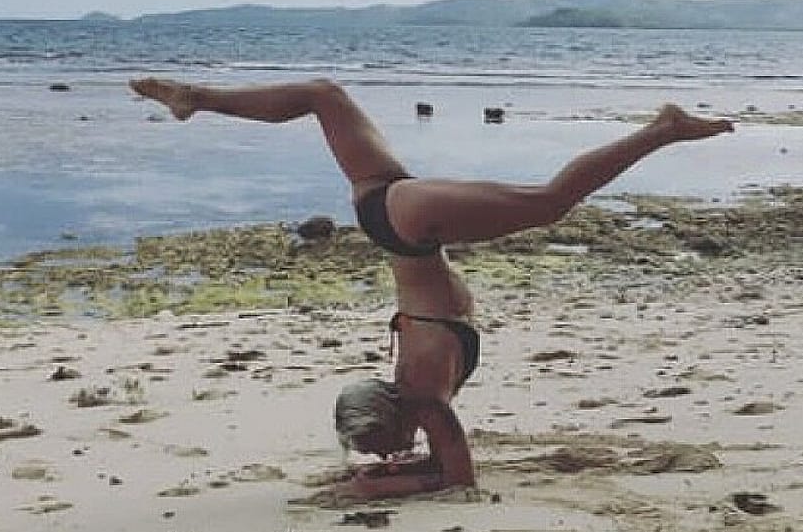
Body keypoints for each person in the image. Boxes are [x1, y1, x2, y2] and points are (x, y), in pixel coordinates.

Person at [129, 77, 733, 500]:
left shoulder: (423, 402)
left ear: (393, 415)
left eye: (379, 444)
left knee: (550, 204)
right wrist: (381, 472)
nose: (384, 453)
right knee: (323, 96)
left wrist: (377, 484)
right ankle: (197, 97)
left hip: (408, 226)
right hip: (386, 219)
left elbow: (456, 475)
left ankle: (664, 128)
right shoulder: (408, 396)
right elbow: (441, 466)